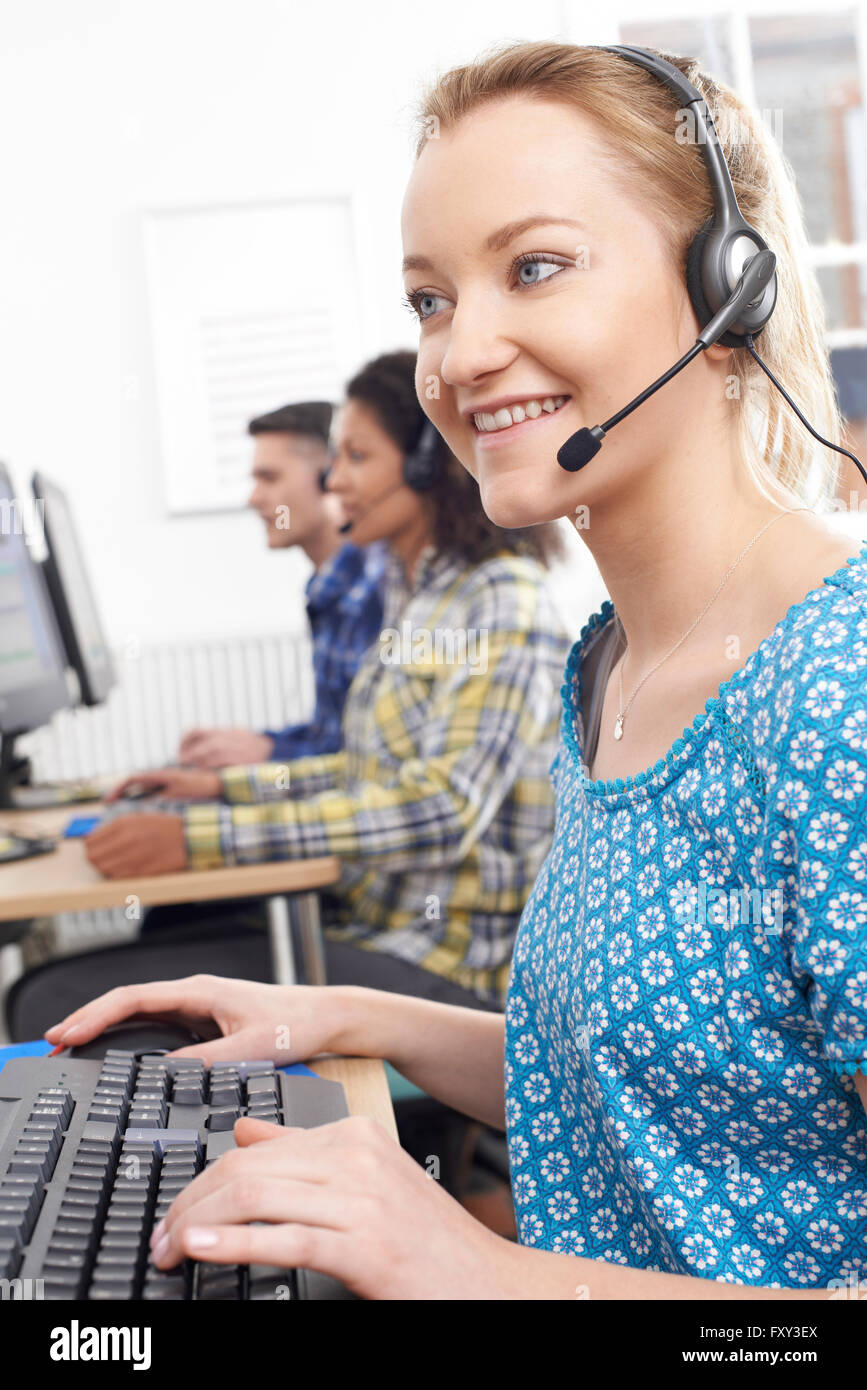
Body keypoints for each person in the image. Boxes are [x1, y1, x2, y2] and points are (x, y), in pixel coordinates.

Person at [46, 42, 867, 1297]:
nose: (461, 353)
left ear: (728, 291)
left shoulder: (838, 688)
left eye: (534, 268)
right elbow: (667, 1088)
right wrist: (343, 1019)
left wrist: (476, 1268)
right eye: (431, 298)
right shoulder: (611, 663)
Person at [24, 349, 569, 1023]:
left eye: (357, 458)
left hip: (440, 966)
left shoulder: (501, 603)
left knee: (54, 995)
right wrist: (223, 788)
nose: (333, 481)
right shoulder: (422, 596)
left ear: (431, 463)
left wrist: (204, 836)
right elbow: (371, 770)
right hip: (367, 926)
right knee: (104, 962)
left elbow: (439, 810)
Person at [178, 400, 386, 770]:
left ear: (330, 478)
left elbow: (370, 763)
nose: (253, 498)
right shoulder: (328, 587)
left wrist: (270, 754)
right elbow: (331, 734)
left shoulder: (373, 591)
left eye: (269, 478)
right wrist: (258, 743)